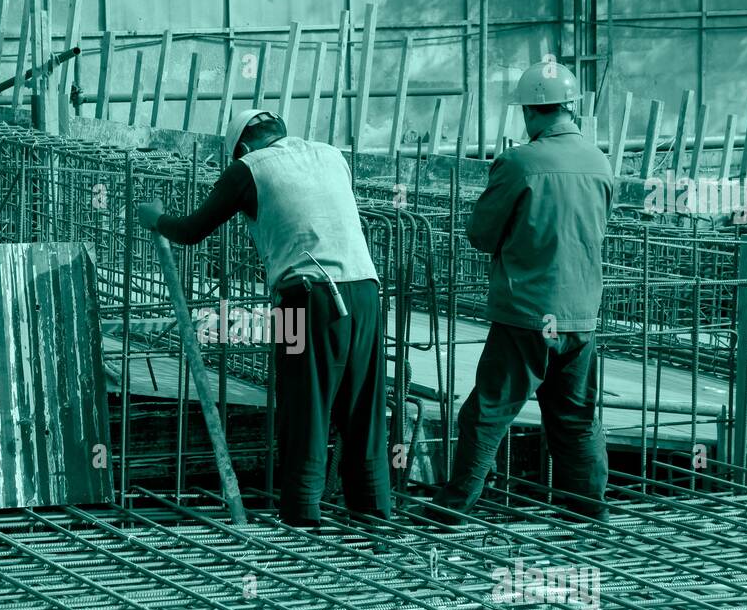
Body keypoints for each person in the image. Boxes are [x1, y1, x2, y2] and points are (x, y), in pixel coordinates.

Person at [136, 108, 390, 527]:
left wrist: (156, 220)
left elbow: (192, 230)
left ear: (243, 147)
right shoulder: (330, 155)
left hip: (304, 297)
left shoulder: (247, 168)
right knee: (363, 410)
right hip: (366, 291)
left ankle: (301, 522)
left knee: (303, 410)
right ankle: (374, 519)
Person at [428, 60, 612, 522]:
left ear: (530, 111)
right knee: (574, 420)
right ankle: (590, 513)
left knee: (486, 414)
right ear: (570, 107)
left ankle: (453, 508)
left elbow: (482, 234)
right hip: (581, 313)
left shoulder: (519, 162)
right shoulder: (599, 160)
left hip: (529, 312)